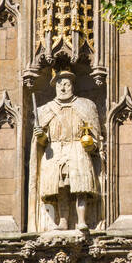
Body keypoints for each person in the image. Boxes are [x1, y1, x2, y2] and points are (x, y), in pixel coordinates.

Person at [33, 71, 100, 230]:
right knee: (60, 188)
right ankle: (62, 221)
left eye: (66, 84)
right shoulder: (45, 109)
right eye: (59, 84)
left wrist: (91, 143)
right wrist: (40, 136)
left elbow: (96, 137)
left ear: (73, 85)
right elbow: (41, 142)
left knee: (80, 187)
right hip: (55, 150)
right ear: (55, 86)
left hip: (77, 148)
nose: (63, 88)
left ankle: (82, 220)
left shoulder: (86, 105)